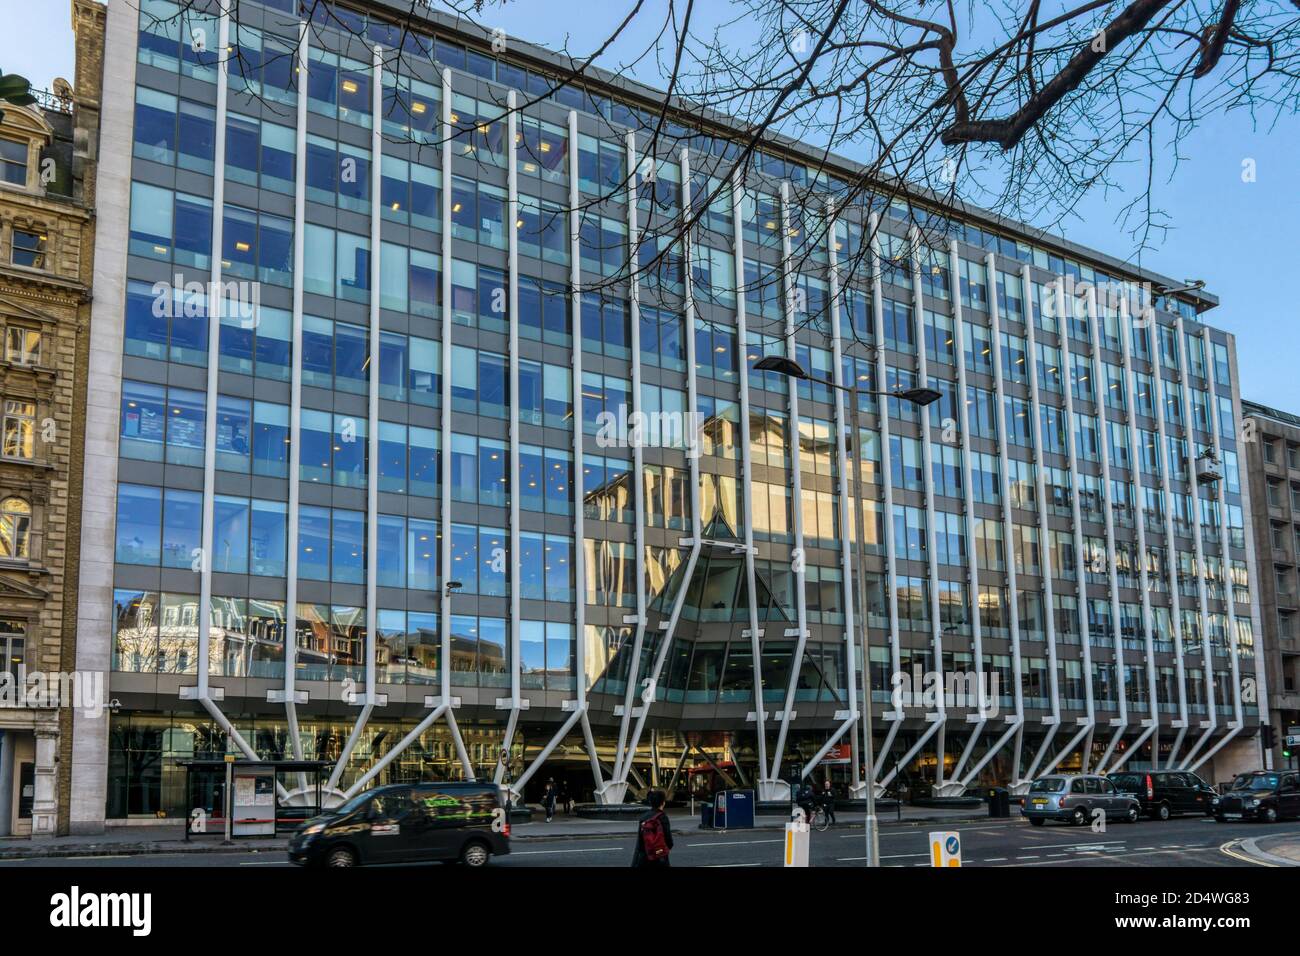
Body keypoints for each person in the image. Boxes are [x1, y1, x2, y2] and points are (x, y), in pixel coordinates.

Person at [631, 789, 674, 868]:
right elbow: (669, 842)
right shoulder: (663, 817)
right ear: (663, 803)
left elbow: (639, 844)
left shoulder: (643, 817)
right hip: (660, 858)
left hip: (645, 859)